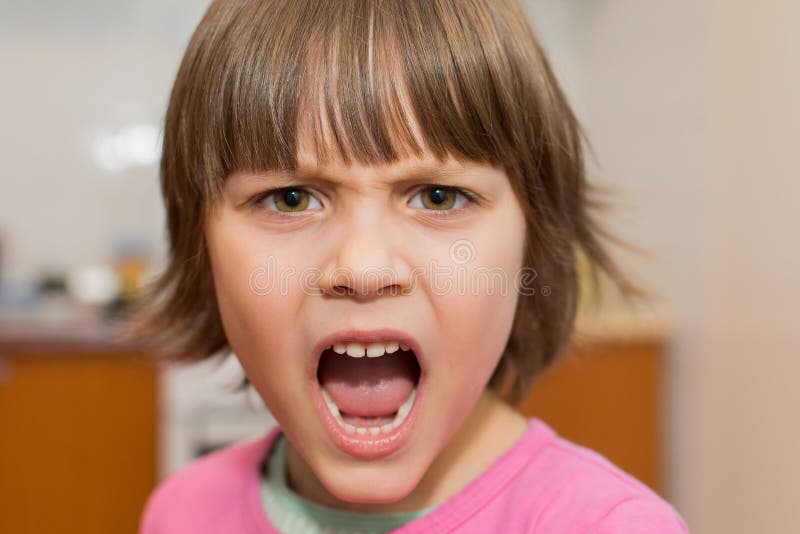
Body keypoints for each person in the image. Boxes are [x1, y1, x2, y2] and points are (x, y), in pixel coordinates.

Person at [129, 0, 689, 532]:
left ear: (534, 242)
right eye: (291, 198)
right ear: (199, 249)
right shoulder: (182, 513)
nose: (365, 269)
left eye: (438, 196)